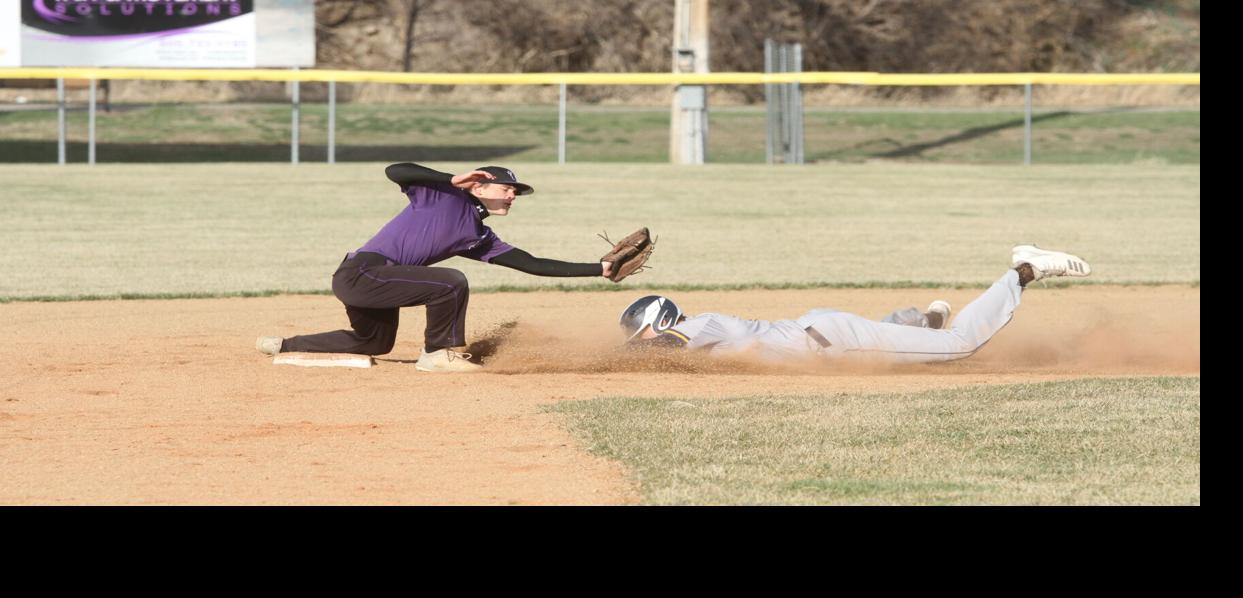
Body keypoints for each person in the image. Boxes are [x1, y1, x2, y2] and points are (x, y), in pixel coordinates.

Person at [256, 163, 617, 373]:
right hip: (361, 273)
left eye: (515, 193)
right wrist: (450, 179)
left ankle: (285, 346)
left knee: (374, 342)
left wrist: (599, 269)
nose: (513, 196)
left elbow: (534, 265)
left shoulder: (477, 235)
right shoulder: (442, 195)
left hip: (377, 282)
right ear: (480, 186)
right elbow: (395, 170)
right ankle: (437, 354)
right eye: (508, 189)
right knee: (450, 282)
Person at [620, 245, 1090, 364]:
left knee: (959, 346)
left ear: (658, 320)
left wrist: (607, 360)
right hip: (820, 330)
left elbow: (657, 350)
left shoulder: (698, 327)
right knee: (915, 345)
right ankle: (918, 322)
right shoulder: (704, 336)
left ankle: (1023, 270)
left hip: (830, 341)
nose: (639, 340)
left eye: (639, 330)